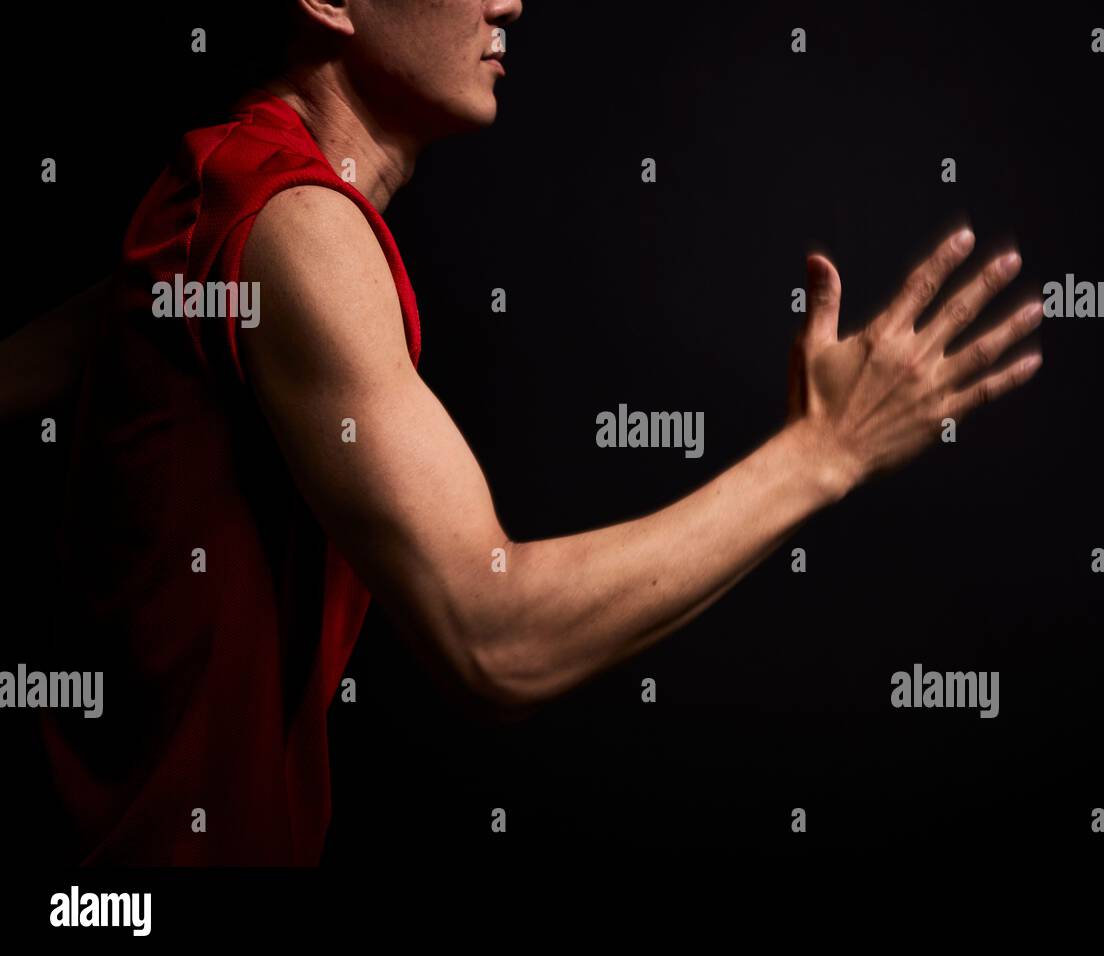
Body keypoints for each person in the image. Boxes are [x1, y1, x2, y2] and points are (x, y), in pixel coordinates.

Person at [2, 0, 1042, 865]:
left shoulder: (216, 201)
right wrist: (824, 451)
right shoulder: (293, 225)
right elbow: (493, 639)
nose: (508, 3)